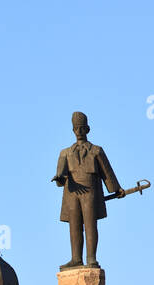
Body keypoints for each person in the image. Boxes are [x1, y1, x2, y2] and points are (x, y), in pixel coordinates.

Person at [53, 111, 125, 268]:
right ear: (72, 130)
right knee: (74, 225)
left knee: (90, 224)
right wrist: (59, 178)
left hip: (90, 191)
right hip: (72, 192)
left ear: (87, 129)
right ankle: (76, 259)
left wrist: (116, 189)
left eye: (81, 128)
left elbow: (107, 173)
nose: (78, 132)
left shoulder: (96, 150)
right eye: (76, 129)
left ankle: (91, 258)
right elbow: (60, 174)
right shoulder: (65, 153)